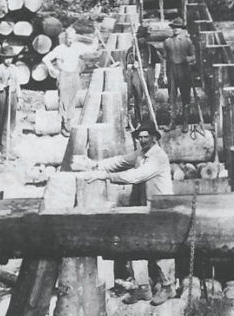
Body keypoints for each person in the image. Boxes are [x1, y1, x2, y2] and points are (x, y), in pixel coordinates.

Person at [74, 124, 175, 305]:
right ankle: (143, 287)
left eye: (146, 137)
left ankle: (168, 287)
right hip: (144, 207)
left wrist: (103, 176)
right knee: (136, 246)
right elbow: (119, 161)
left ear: (154, 138)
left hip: (162, 208)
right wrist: (94, 164)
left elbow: (136, 176)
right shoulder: (140, 154)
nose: (142, 140)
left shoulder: (158, 157)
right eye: (140, 137)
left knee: (162, 249)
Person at [42, 27, 86, 136]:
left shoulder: (77, 47)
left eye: (72, 38)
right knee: (63, 100)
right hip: (64, 76)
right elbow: (45, 59)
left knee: (73, 100)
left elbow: (91, 49)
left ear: (75, 38)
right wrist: (53, 69)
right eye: (68, 38)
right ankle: (64, 124)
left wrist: (95, 41)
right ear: (65, 37)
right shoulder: (60, 49)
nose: (70, 40)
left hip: (75, 75)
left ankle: (69, 122)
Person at [162, 18, 195, 126]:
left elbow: (194, 56)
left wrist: (188, 59)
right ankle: (172, 122)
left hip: (184, 71)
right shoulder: (167, 42)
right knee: (171, 97)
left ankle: (185, 121)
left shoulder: (187, 41)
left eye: (178, 27)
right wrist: (165, 75)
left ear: (181, 29)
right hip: (171, 71)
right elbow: (164, 59)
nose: (176, 29)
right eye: (174, 27)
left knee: (186, 96)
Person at [0, 62, 21, 156]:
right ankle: (4, 149)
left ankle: (9, 147)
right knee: (4, 123)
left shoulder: (14, 68)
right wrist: (4, 86)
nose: (9, 60)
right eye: (6, 57)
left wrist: (20, 97)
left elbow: (18, 84)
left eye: (10, 57)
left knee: (12, 123)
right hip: (3, 95)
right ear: (2, 58)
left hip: (13, 96)